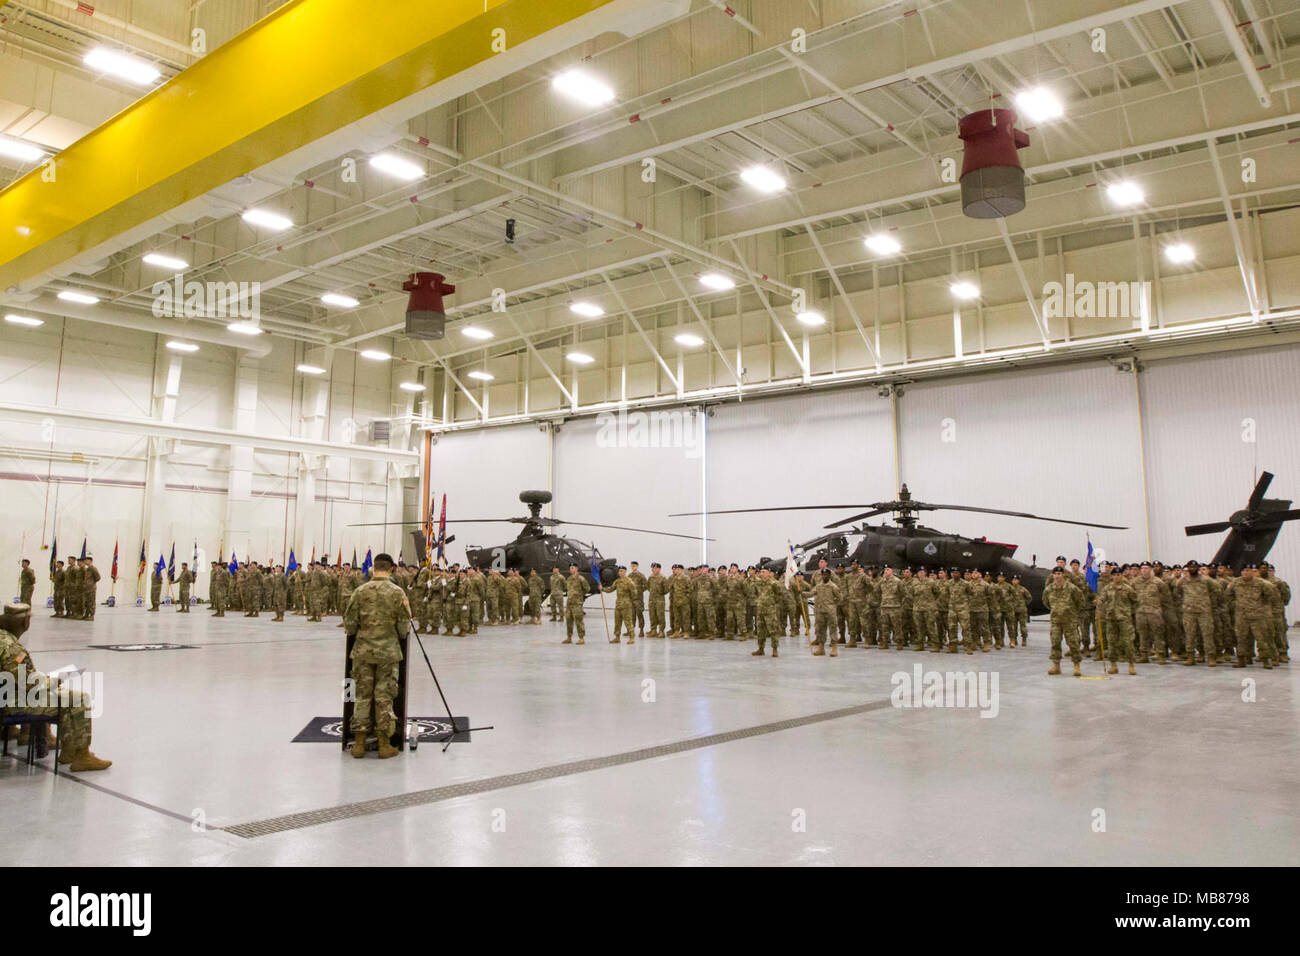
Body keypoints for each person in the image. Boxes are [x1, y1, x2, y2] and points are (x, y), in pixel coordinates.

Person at [0, 602, 110, 771]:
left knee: (59, 695)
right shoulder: (11, 648)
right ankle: (81, 755)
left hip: (6, 696)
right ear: (26, 623)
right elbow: (28, 682)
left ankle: (68, 751)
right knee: (78, 699)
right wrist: (52, 681)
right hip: (10, 704)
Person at [343, 554, 410, 759]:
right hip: (388, 653)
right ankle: (384, 744)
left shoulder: (359, 591)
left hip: (362, 652)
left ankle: (359, 744)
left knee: (361, 695)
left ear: (374, 568)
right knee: (384, 696)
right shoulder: (398, 593)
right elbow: (403, 627)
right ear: (391, 569)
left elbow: (350, 625)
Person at [1042, 566, 1082, 676]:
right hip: (1056, 621)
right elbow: (1046, 602)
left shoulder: (1072, 588)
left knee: (1073, 643)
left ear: (1063, 575)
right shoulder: (1049, 589)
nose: (1057, 576)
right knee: (1055, 642)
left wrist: (1071, 612)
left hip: (1069, 620)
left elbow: (1080, 601)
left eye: (1059, 574)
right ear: (1053, 575)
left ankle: (1076, 665)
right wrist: (1056, 610)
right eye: (1055, 574)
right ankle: (1056, 666)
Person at [562, 563, 590, 644]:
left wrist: (580, 595)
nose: (571, 569)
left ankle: (581, 638)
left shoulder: (581, 578)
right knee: (568, 620)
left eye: (573, 568)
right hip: (569, 602)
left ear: (576, 569)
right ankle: (569, 637)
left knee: (578, 620)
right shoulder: (569, 579)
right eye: (570, 568)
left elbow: (587, 588)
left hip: (577, 603)